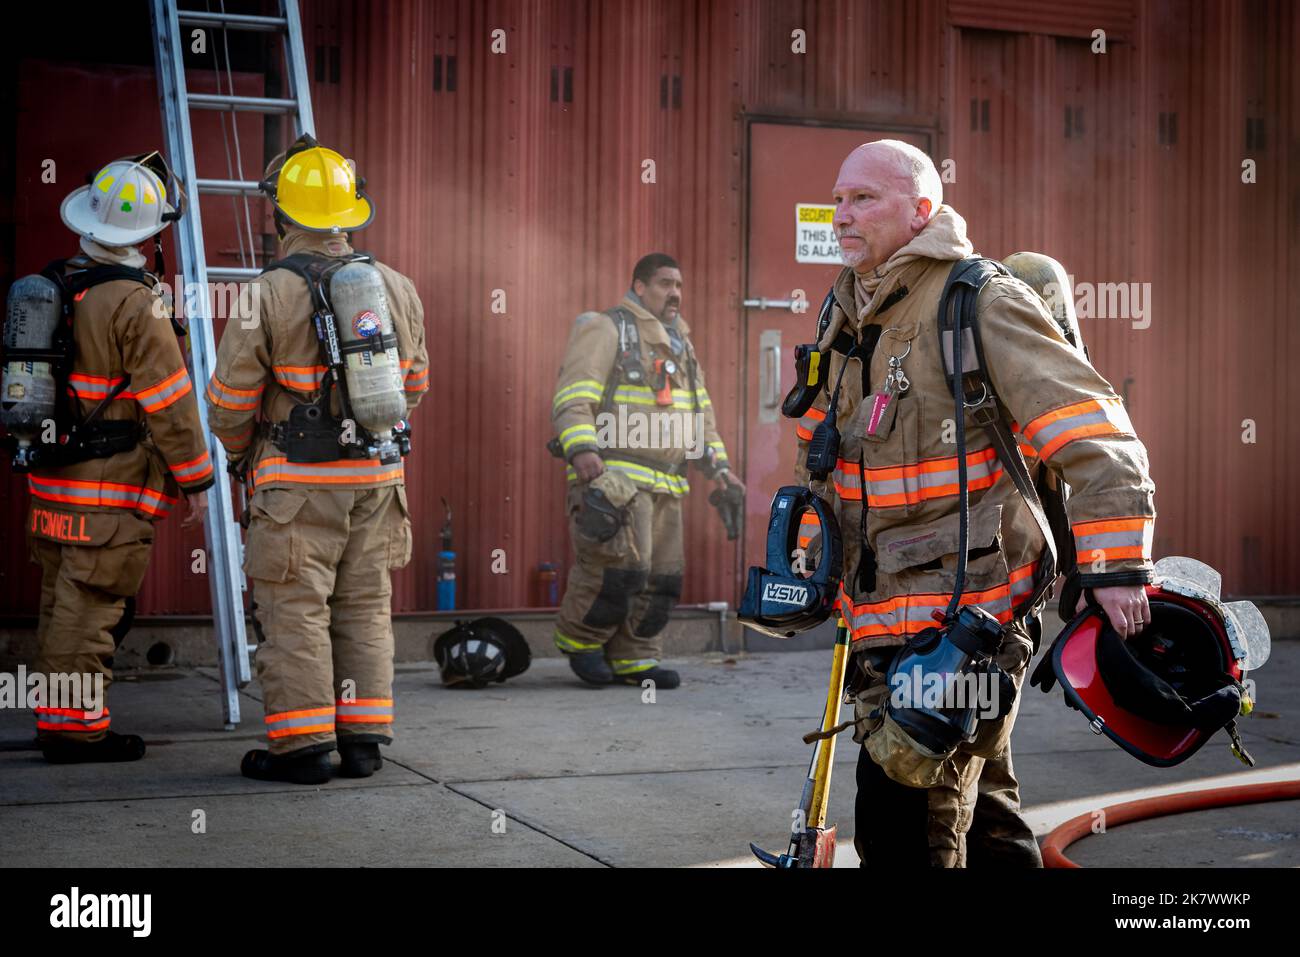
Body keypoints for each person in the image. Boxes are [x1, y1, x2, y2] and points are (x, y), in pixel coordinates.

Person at [796, 140, 1157, 866]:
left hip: (967, 617)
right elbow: (832, 455)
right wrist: (811, 549)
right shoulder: (848, 310)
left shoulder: (977, 299)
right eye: (838, 199)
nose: (842, 214)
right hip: (879, 619)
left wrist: (1116, 566)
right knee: (984, 808)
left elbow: (1090, 425)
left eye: (863, 198)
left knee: (903, 823)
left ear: (921, 210)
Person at [206, 135, 428, 784]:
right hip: (379, 479)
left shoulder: (267, 292)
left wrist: (246, 455)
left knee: (296, 606)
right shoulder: (395, 285)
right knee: (363, 605)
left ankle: (303, 748)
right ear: (350, 213)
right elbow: (413, 385)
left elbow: (228, 402)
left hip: (297, 484)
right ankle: (363, 742)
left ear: (283, 217)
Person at [24, 152, 211, 763]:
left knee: (61, 601)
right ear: (151, 232)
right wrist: (198, 482)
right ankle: (76, 734)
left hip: (52, 484)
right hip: (106, 494)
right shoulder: (138, 303)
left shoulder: (57, 283)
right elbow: (171, 404)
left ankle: (57, 721)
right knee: (91, 608)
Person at [549, 253, 744, 688]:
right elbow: (573, 394)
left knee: (662, 575)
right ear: (639, 287)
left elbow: (700, 414)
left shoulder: (680, 343)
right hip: (615, 478)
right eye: (664, 283)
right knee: (618, 568)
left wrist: (719, 467)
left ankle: (636, 658)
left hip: (667, 482)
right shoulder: (606, 328)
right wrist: (580, 447)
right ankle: (581, 642)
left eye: (679, 285)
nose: (675, 292)